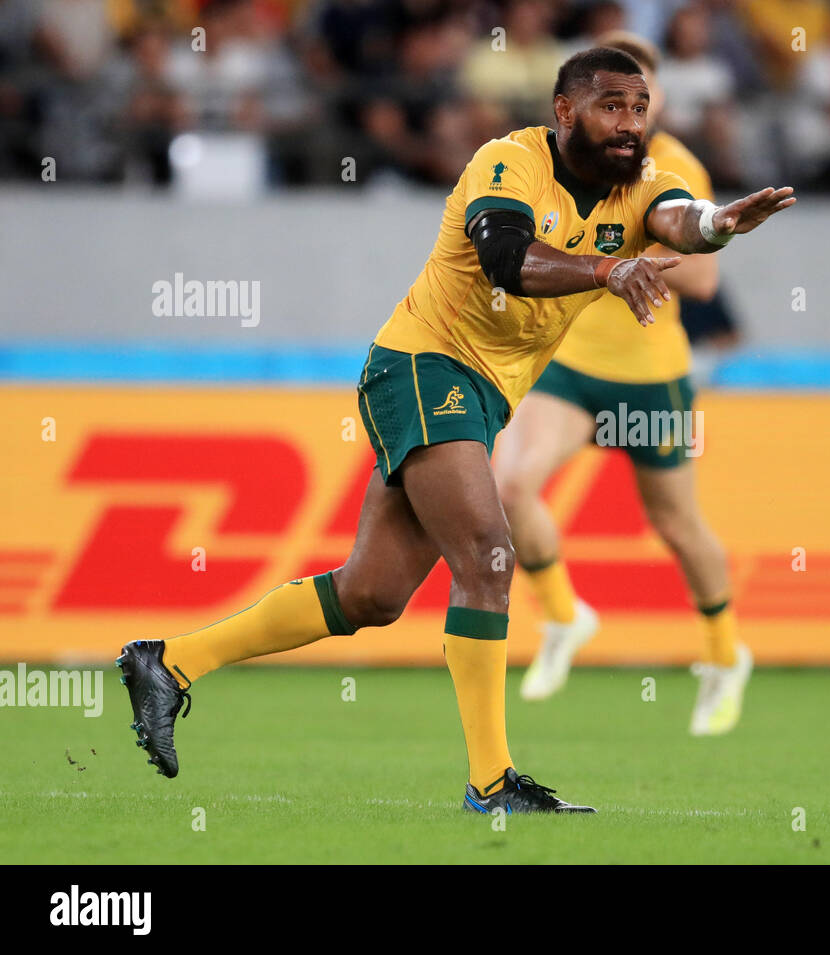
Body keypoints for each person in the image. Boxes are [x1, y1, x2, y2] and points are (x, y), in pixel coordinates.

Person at [116, 46, 795, 814]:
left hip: (481, 393)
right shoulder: (507, 163)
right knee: (490, 554)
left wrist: (718, 224)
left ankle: (167, 664)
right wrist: (607, 272)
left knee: (370, 594)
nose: (628, 124)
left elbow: (680, 219)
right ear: (564, 110)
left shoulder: (641, 184)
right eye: (611, 105)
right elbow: (506, 258)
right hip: (421, 364)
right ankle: (492, 782)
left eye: (638, 108)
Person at [494, 32, 750, 736]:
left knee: (675, 524)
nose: (630, 110)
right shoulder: (558, 158)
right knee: (509, 484)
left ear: (658, 99)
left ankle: (727, 655)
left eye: (643, 93)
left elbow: (702, 277)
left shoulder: (673, 166)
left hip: (648, 376)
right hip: (571, 365)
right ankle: (566, 616)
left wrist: (624, 254)